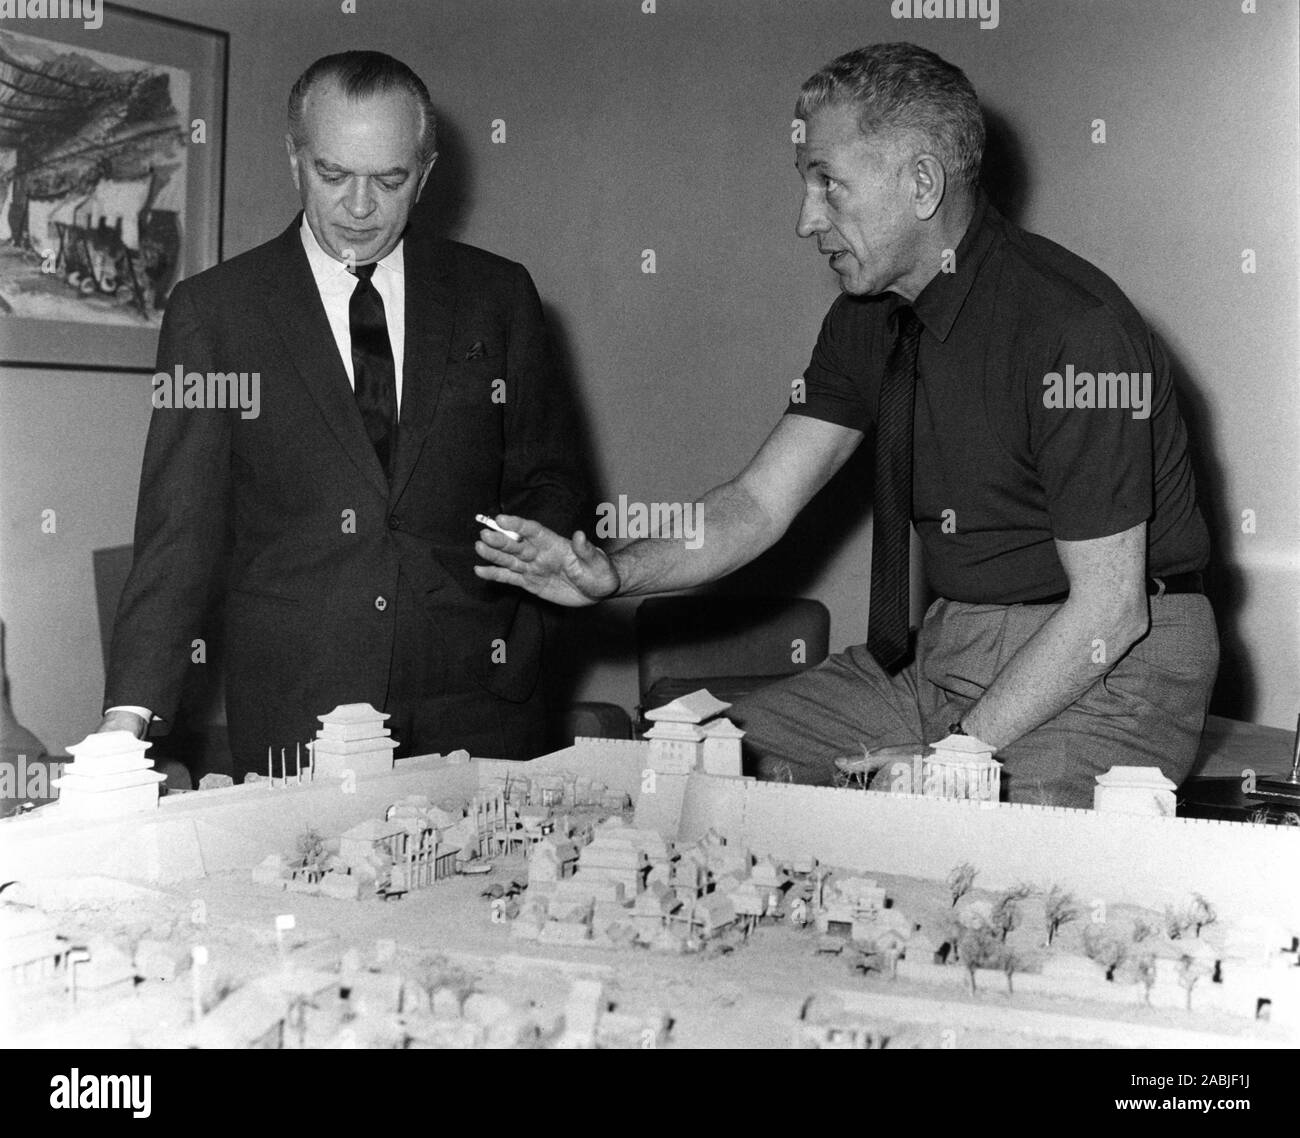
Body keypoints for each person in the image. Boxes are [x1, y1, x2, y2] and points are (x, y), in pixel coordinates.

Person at [475, 42, 1217, 808]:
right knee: (692, 784)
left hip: (1110, 659)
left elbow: (1110, 607)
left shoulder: (1073, 330)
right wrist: (615, 571)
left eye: (829, 185)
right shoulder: (865, 321)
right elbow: (759, 503)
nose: (806, 220)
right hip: (948, 646)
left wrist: (951, 757)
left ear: (921, 183)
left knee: (970, 855)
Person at [100, 51, 587, 777]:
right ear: (293, 159)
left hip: (484, 703)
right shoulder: (215, 315)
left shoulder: (499, 296)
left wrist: (532, 561)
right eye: (333, 175)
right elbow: (178, 533)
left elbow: (552, 479)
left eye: (390, 180)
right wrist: (126, 720)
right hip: (303, 711)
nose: (360, 208)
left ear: (424, 172)